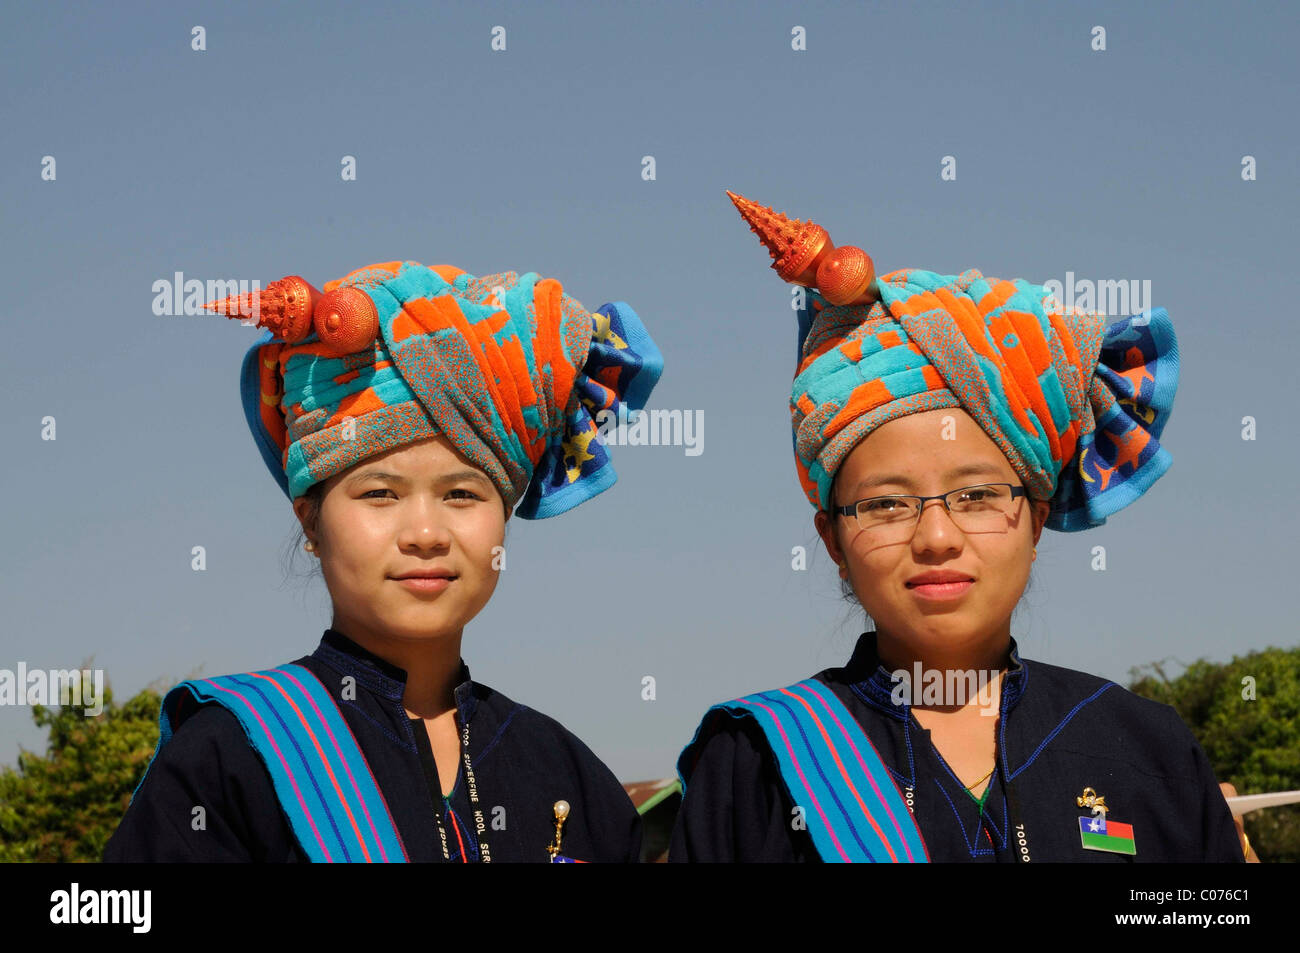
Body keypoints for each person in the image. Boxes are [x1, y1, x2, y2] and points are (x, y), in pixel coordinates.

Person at [668, 193, 1246, 863]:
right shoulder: (754, 766)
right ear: (832, 541)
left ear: (1036, 516)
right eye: (886, 504)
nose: (936, 537)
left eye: (976, 495)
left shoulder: (1145, 749)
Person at [105, 259, 662, 862]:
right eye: (379, 494)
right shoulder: (230, 758)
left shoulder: (569, 775)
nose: (426, 533)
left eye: (462, 495)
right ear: (310, 524)